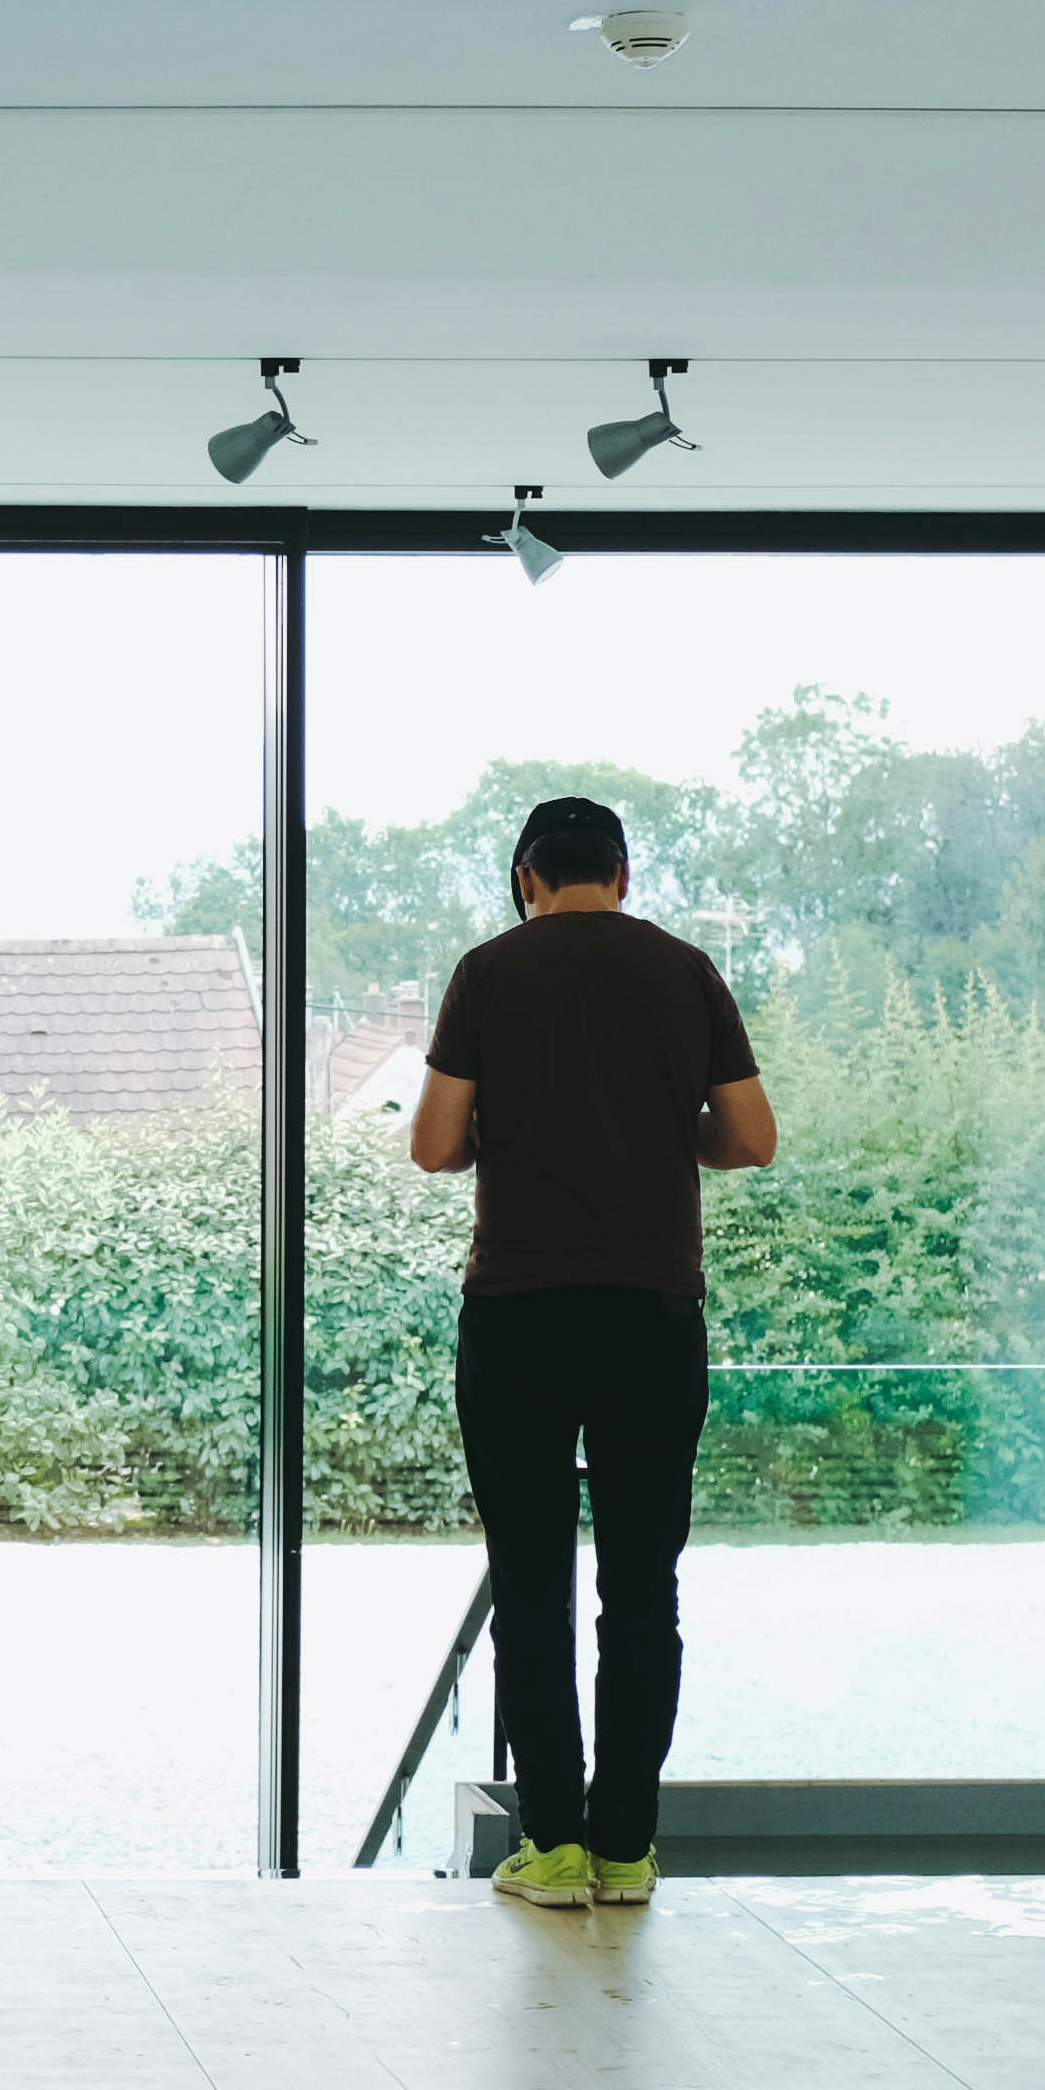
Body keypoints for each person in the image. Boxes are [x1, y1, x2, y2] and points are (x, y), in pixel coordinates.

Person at [407, 794, 775, 1911]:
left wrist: (506, 1137)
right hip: (652, 1315)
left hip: (518, 1311)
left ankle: (552, 1849)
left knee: (532, 1583)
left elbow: (432, 1146)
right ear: (621, 873)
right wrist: (676, 1138)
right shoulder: (686, 971)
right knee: (642, 1587)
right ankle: (626, 1849)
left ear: (527, 877)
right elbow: (751, 1138)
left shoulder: (488, 972)